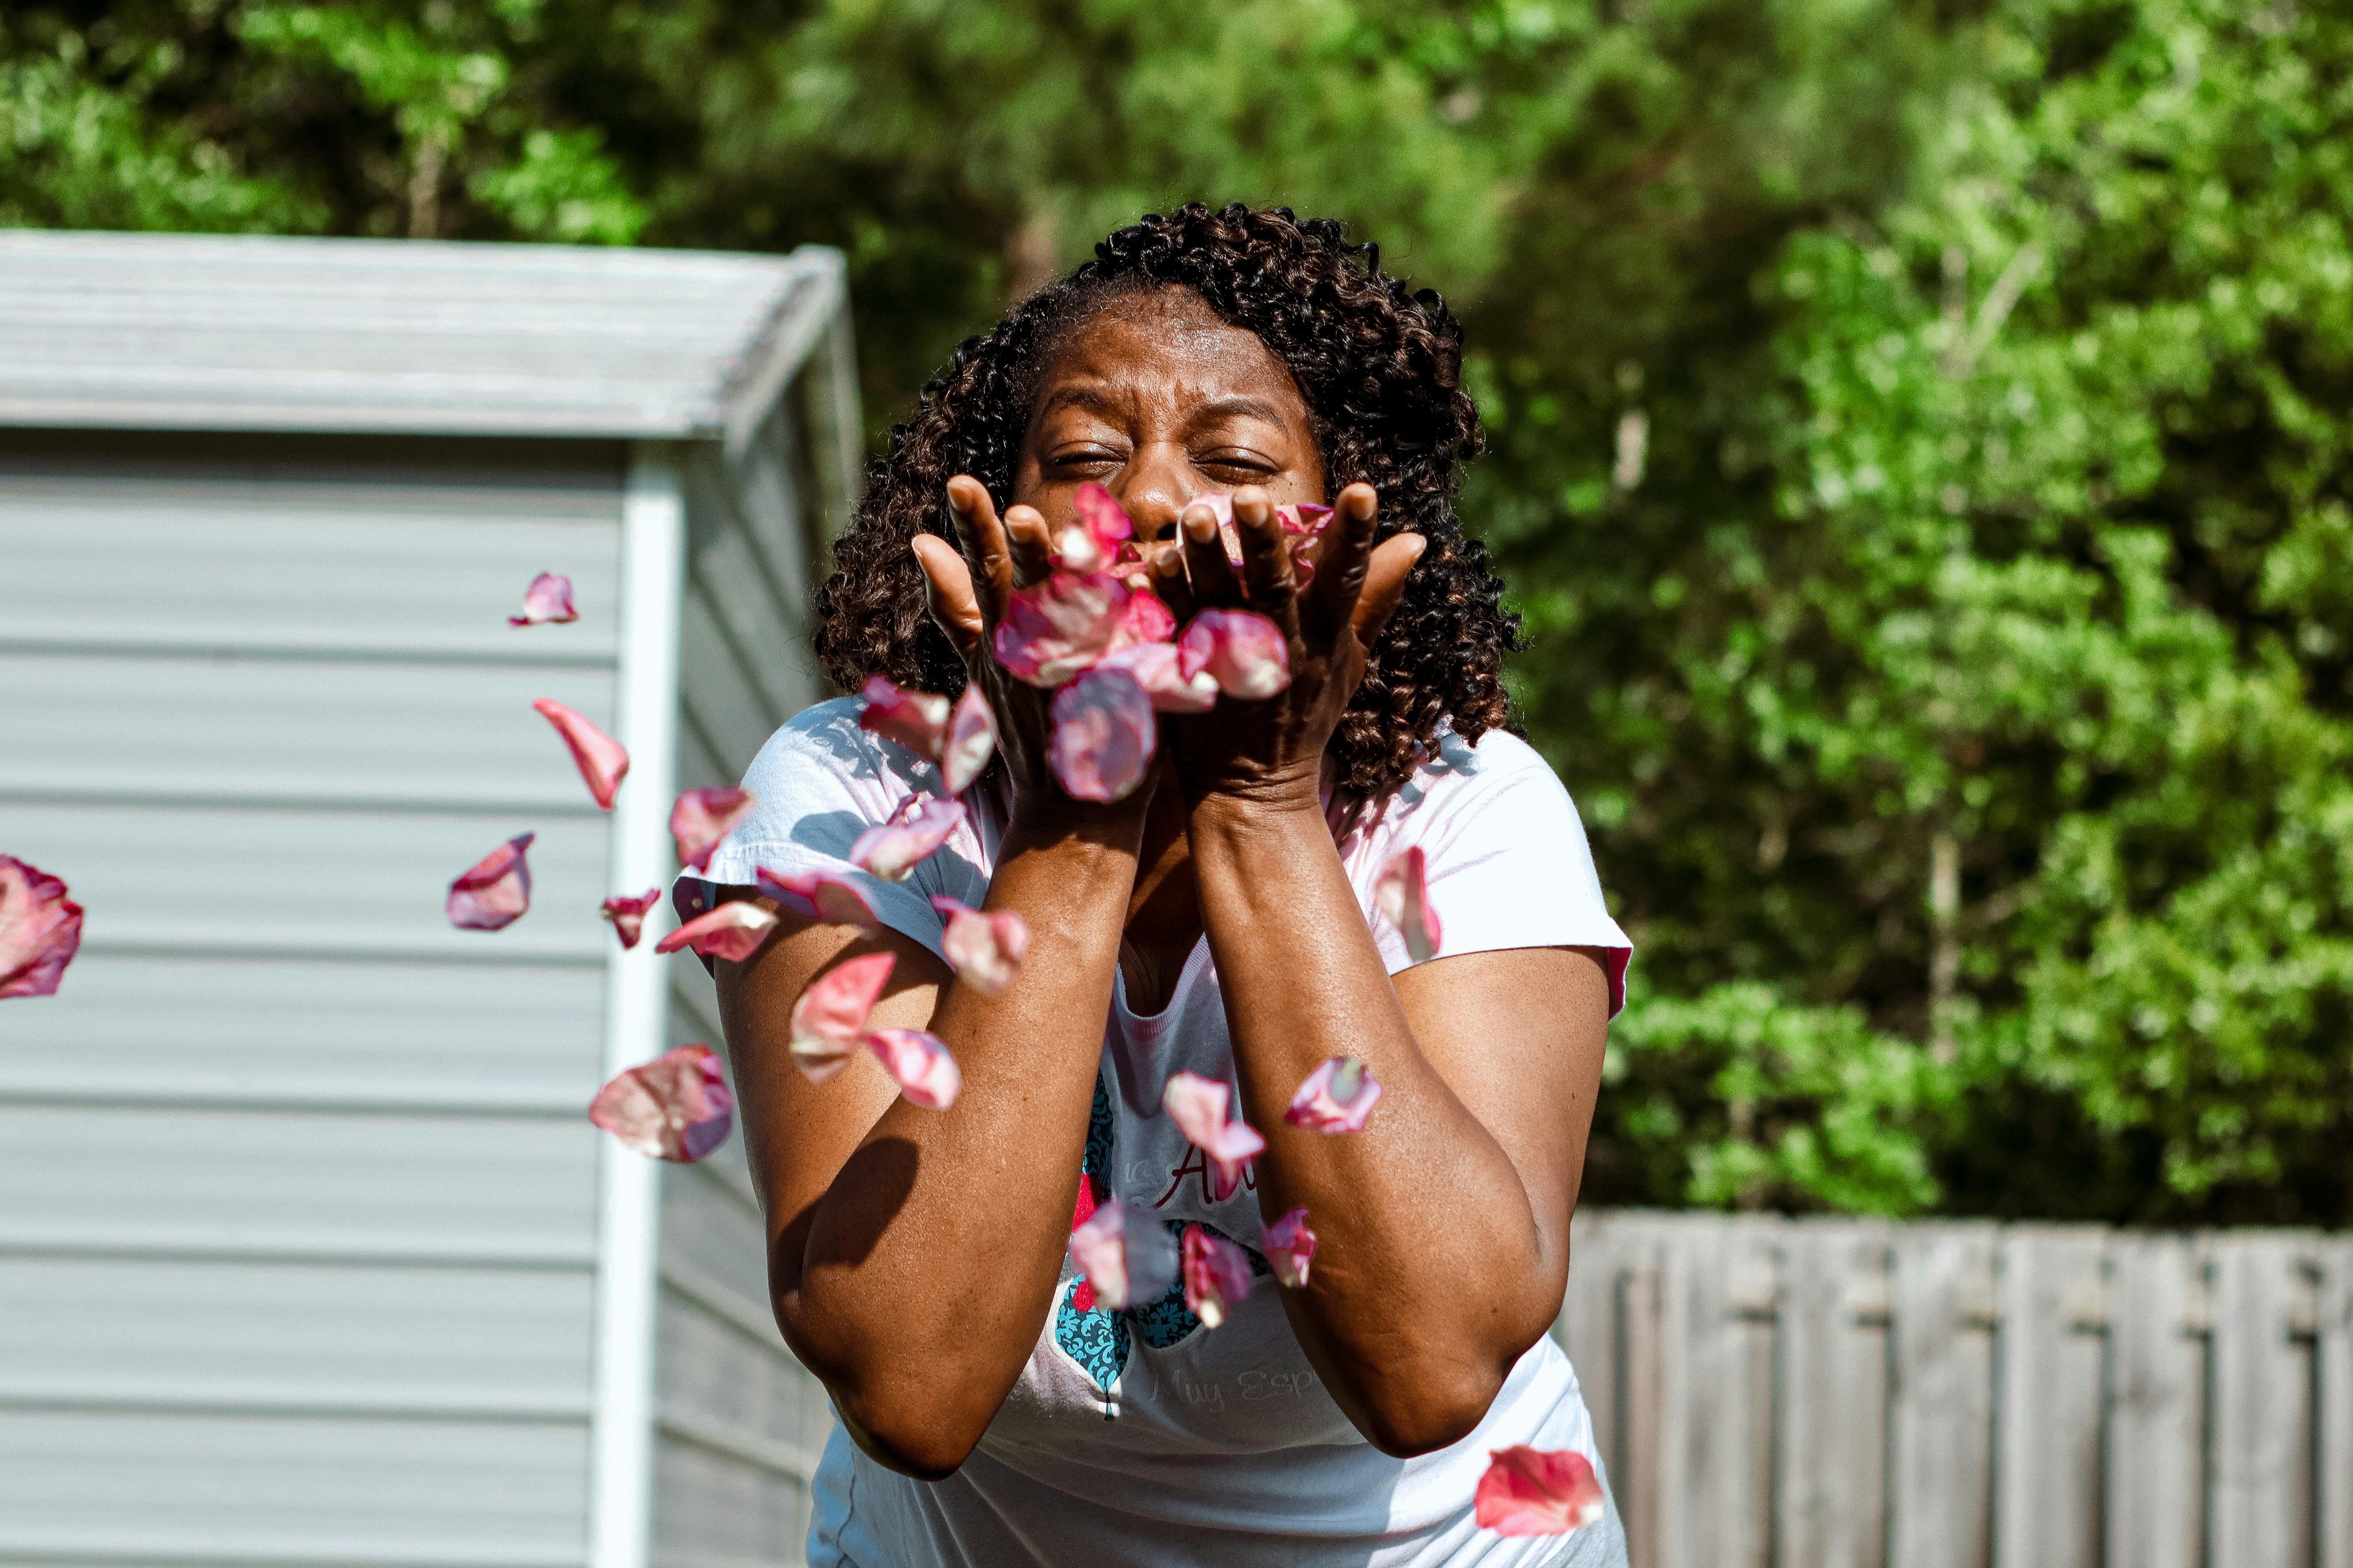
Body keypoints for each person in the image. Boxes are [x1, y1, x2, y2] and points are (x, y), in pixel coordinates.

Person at [685, 203, 1634, 1566]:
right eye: (1082, 455)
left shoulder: (1472, 813)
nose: (1148, 504)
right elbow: (910, 1386)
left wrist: (1254, 804)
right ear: (986, 508)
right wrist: (1073, 832)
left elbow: (1427, 1371)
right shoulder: (852, 795)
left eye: (1235, 458)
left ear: (1345, 535)